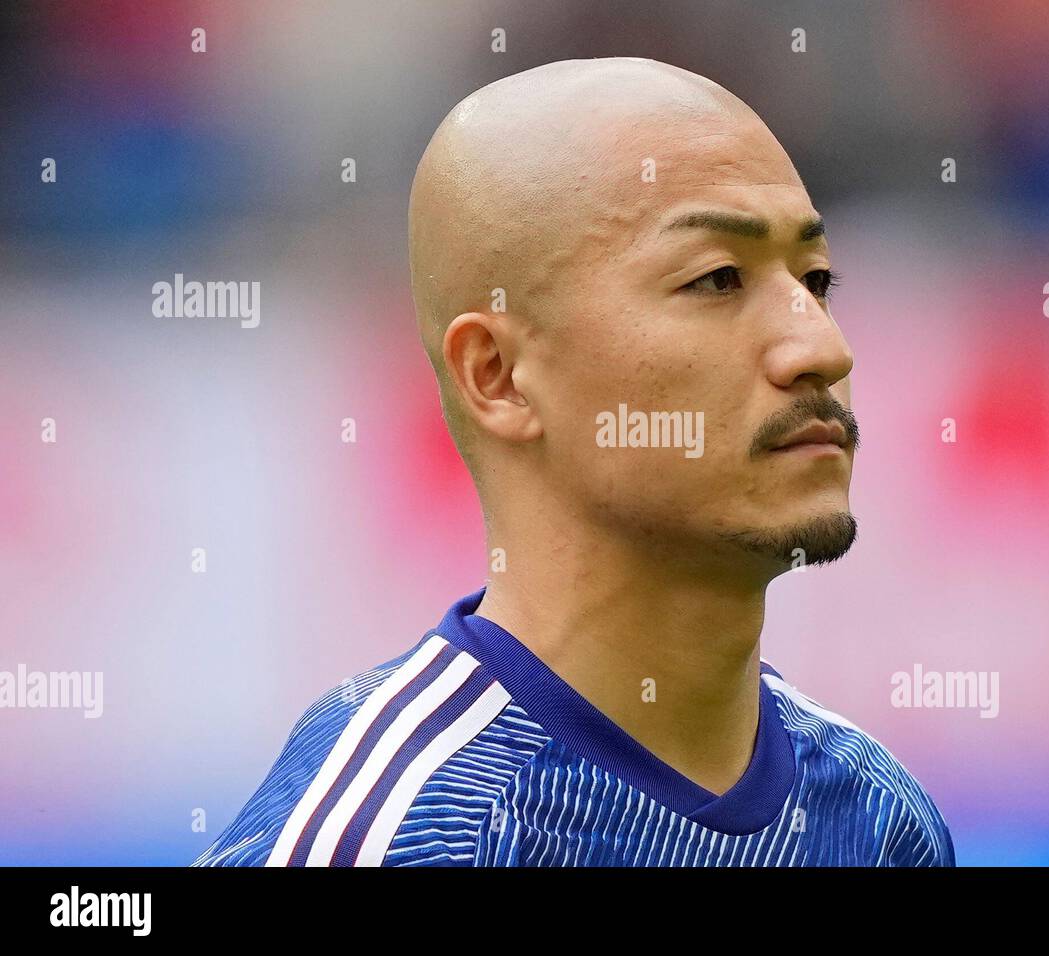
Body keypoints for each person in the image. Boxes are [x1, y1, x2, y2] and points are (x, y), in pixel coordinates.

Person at [194, 56, 955, 867]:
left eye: (817, 278)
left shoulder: (880, 822)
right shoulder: (398, 840)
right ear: (500, 376)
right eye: (718, 278)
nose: (822, 347)